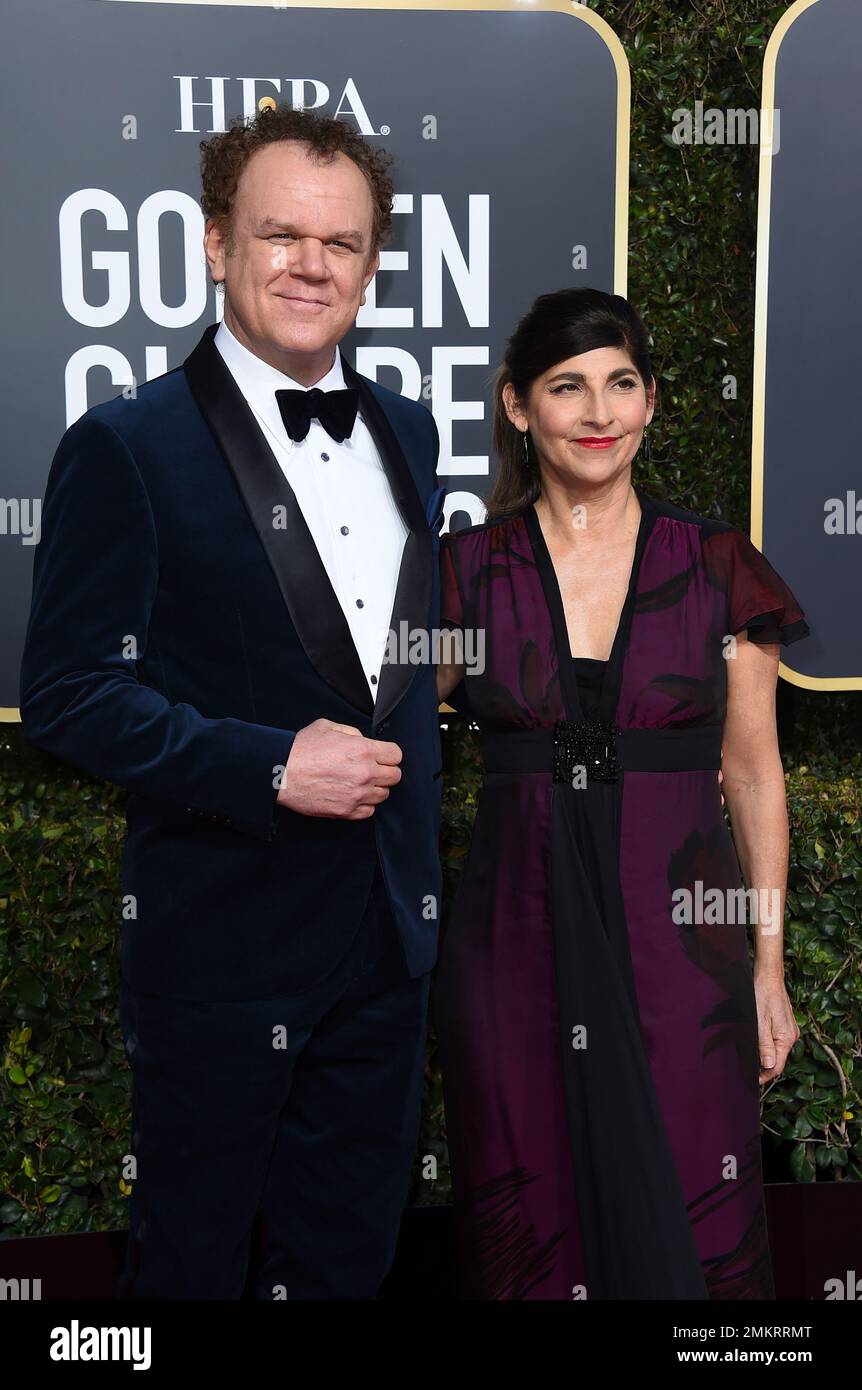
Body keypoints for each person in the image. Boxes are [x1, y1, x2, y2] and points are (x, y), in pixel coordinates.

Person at [19, 104, 447, 1299]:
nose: (312, 266)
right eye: (280, 235)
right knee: (195, 1268)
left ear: (371, 263)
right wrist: (267, 764)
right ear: (217, 246)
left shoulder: (410, 432)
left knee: (347, 1259)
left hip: (386, 944)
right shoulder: (128, 446)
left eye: (343, 243)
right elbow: (66, 692)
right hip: (224, 946)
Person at [433, 287, 807, 1300]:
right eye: (567, 386)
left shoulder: (718, 568)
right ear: (518, 406)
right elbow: (382, 739)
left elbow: (752, 772)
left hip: (683, 954)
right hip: (513, 950)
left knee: (697, 1215)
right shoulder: (462, 574)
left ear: (647, 403)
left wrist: (768, 967)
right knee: (530, 1220)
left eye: (620, 383)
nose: (597, 412)